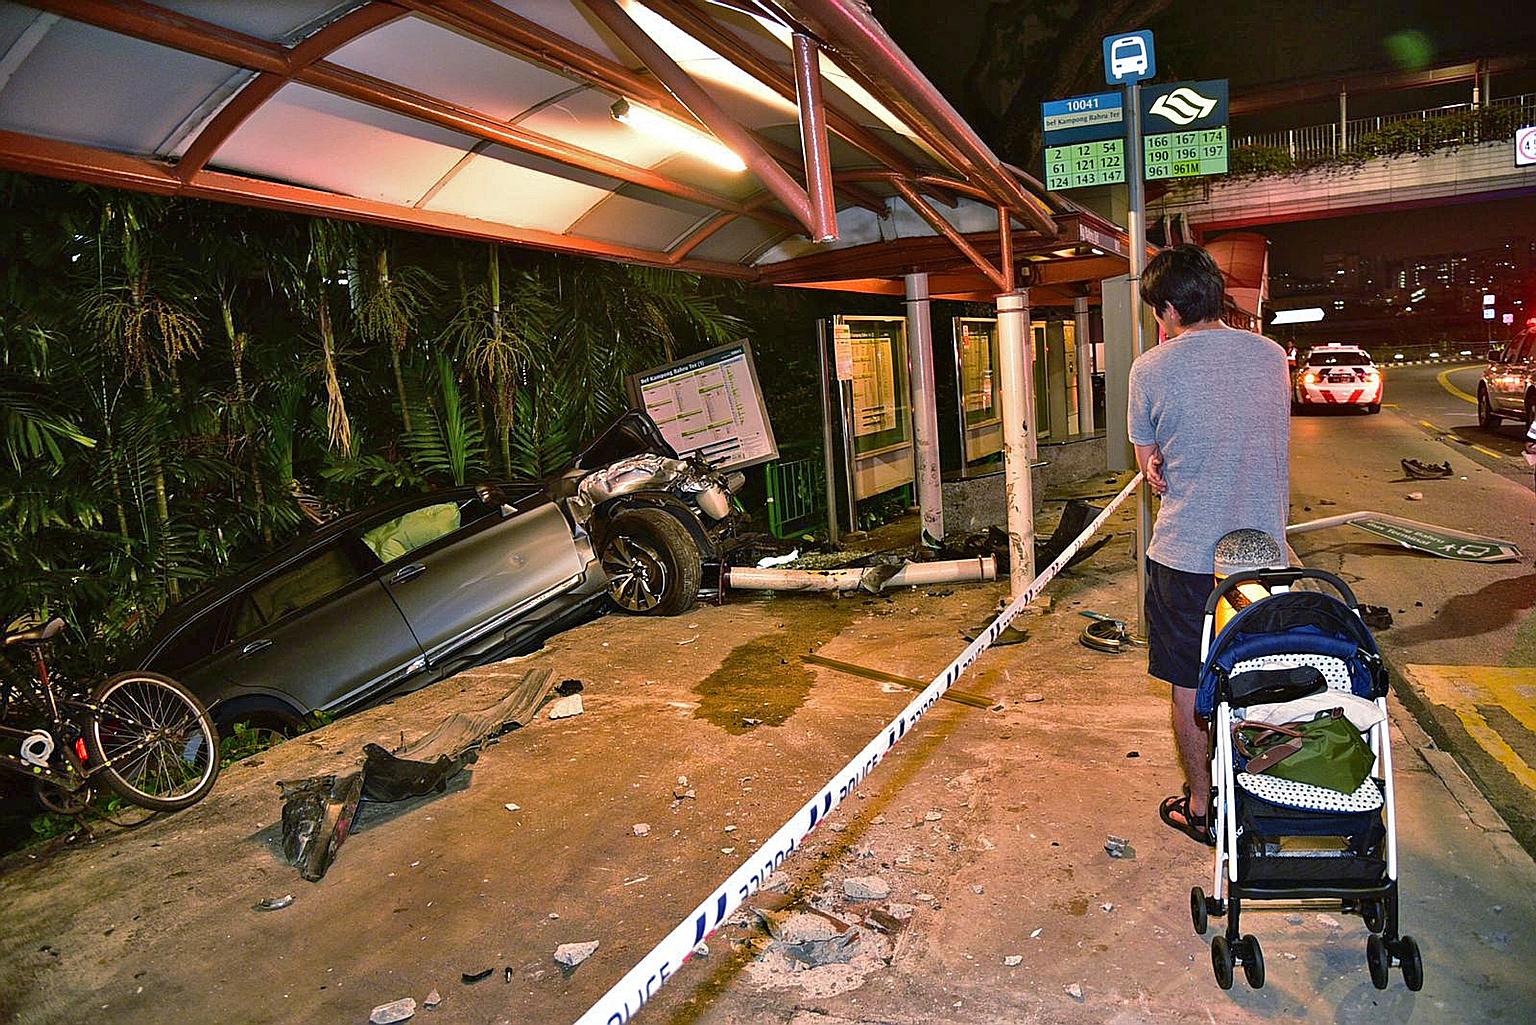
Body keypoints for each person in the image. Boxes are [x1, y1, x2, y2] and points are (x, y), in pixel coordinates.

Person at [1127, 244, 1290, 845]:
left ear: (1169, 309)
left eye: (1156, 312)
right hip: (1261, 559)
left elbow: (1151, 465)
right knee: (1259, 676)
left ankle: (1201, 804)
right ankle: (1266, 793)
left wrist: (1159, 466)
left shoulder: (1151, 369)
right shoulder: (1272, 357)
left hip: (1187, 555)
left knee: (1188, 680)